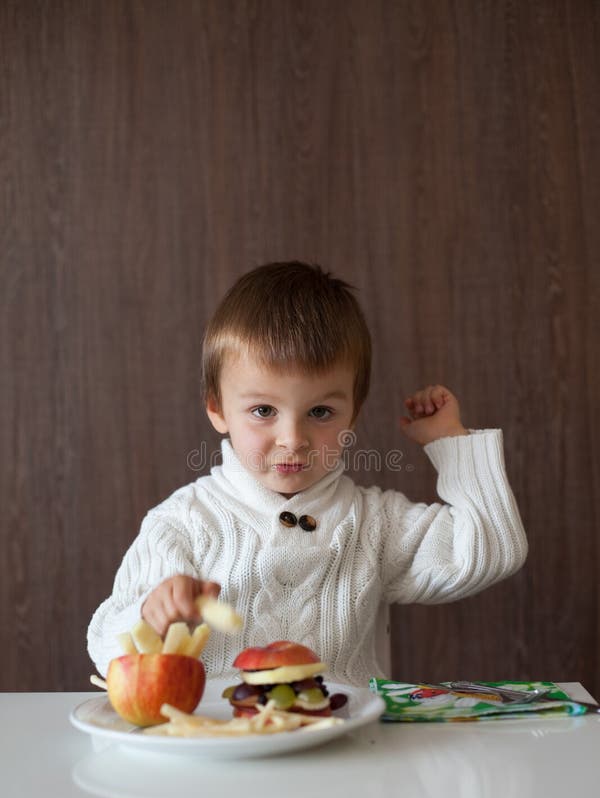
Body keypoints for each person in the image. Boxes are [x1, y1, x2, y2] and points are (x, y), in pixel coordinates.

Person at [87, 261, 528, 683]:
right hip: (216, 746)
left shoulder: (372, 523)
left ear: (353, 413)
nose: (292, 438)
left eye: (320, 411)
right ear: (217, 408)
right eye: (263, 410)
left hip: (343, 748)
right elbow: (107, 648)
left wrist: (450, 442)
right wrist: (152, 614)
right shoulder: (183, 522)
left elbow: (491, 551)